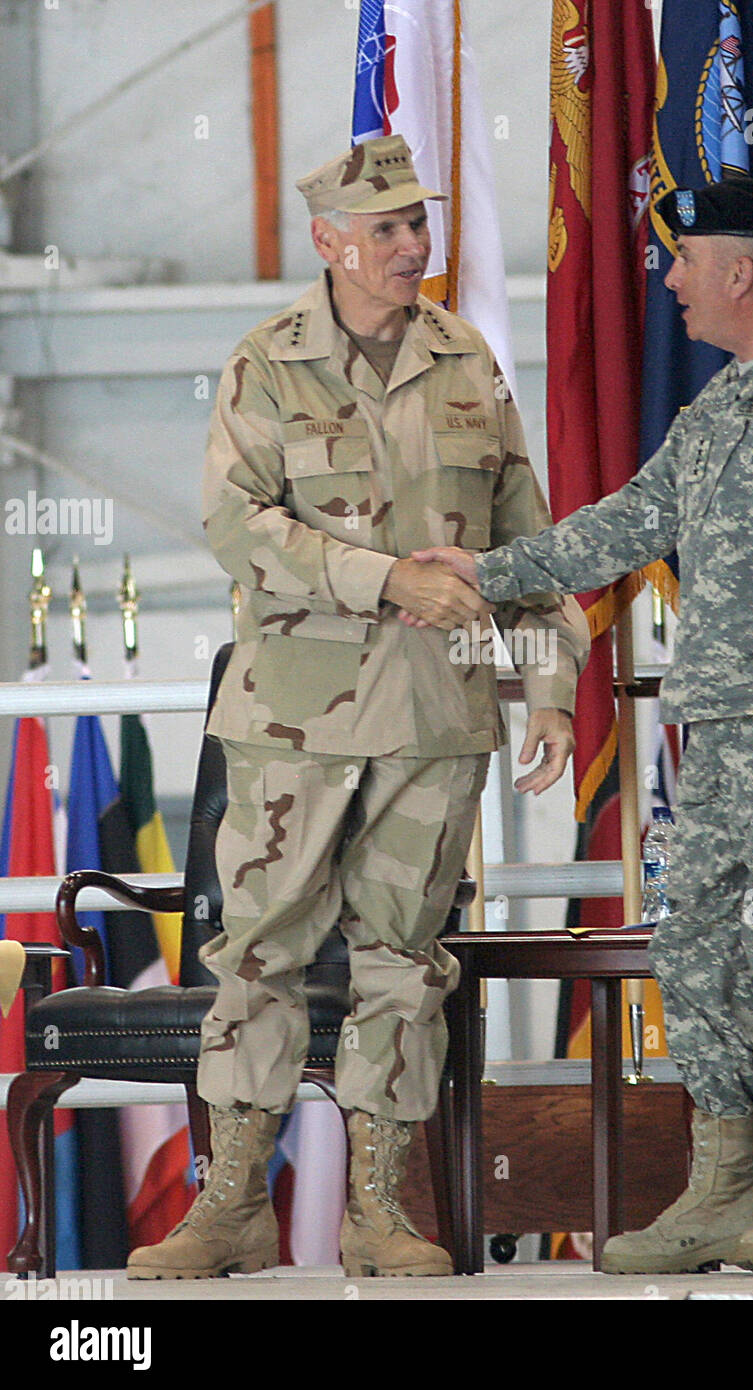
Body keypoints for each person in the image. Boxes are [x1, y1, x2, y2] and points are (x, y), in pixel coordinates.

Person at [415, 176, 753, 1276]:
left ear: (740, 271)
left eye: (685, 259)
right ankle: (724, 1186)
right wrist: (488, 570)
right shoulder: (723, 403)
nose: (671, 278)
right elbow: (627, 523)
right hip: (724, 729)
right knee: (696, 953)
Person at [126, 134, 589, 1280]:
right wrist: (385, 578)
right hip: (294, 723)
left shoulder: (468, 361)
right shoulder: (265, 364)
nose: (409, 246)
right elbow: (240, 527)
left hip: (436, 721)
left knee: (400, 960)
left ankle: (378, 1209)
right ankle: (231, 1201)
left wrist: (551, 682)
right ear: (329, 243)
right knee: (260, 954)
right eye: (383, 230)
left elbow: (529, 542)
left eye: (417, 226)